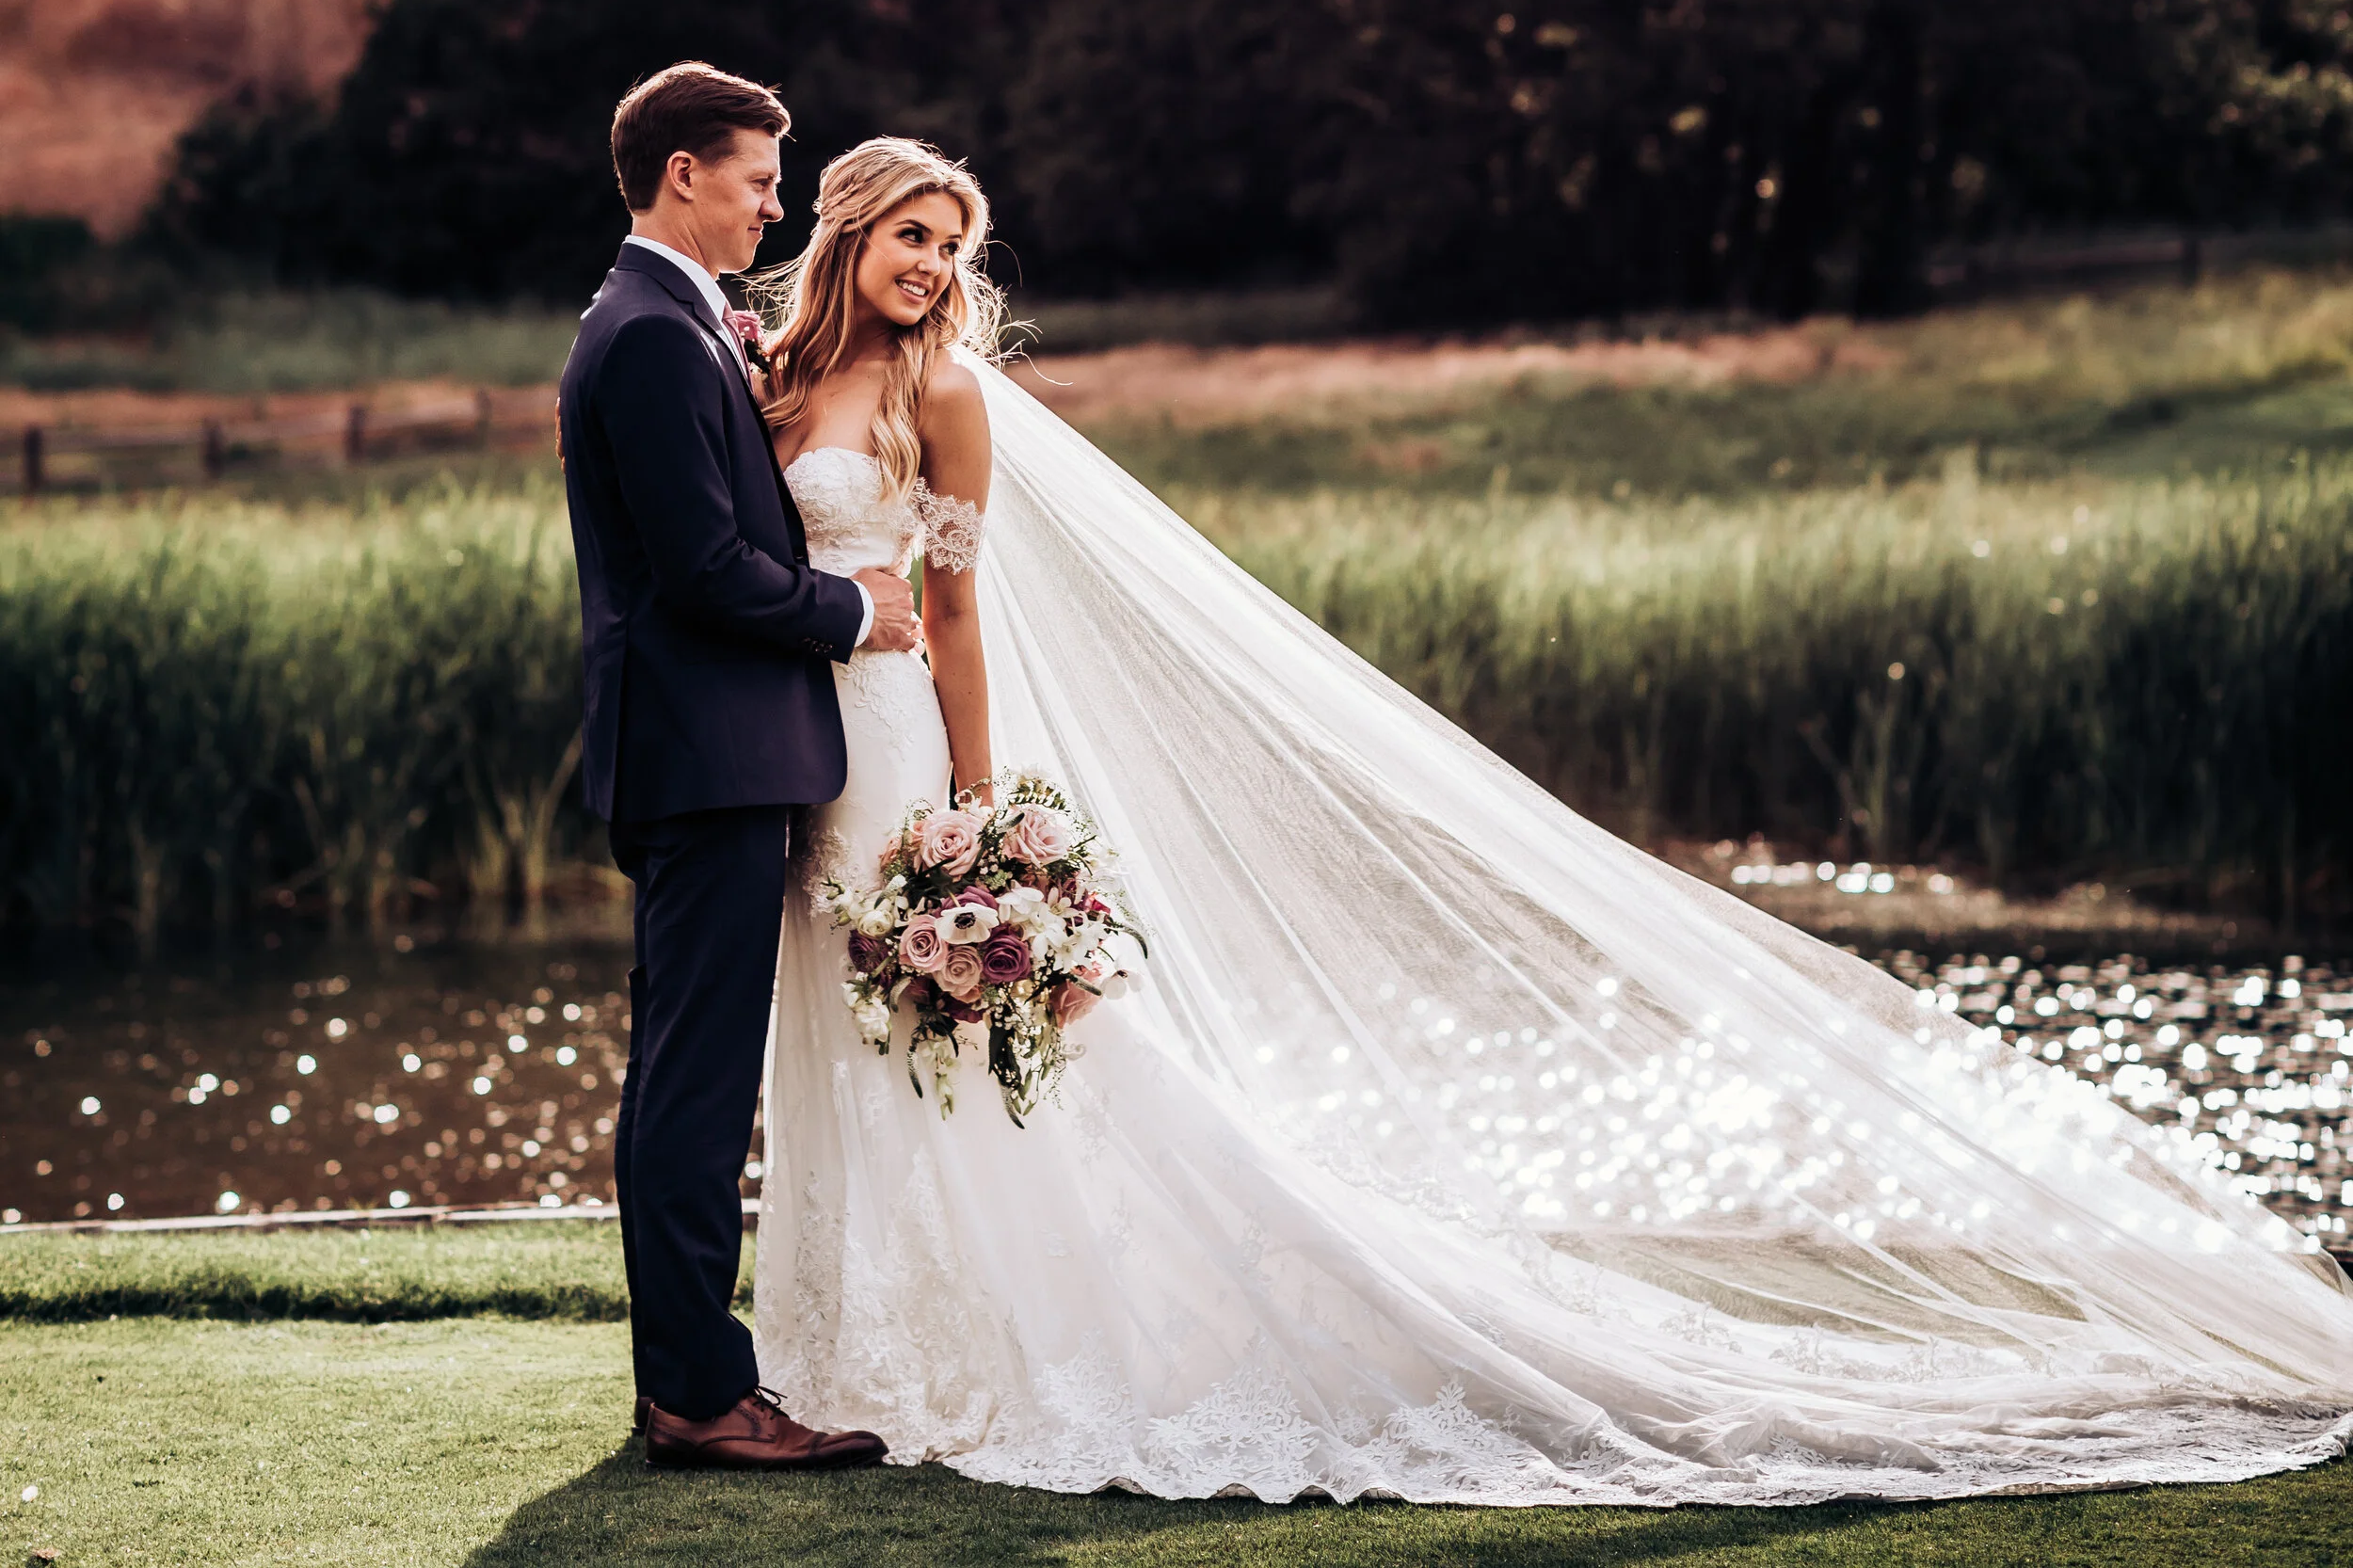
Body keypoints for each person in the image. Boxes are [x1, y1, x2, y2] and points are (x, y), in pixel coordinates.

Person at [748, 133, 2353, 1507]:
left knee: (982, 1047)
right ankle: (872, 1337)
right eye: (910, 235)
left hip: (907, 753)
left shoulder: (949, 393)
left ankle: (1043, 1324)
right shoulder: (783, 367)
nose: (931, 263)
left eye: (951, 245)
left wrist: (979, 809)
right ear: (852, 228)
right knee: (844, 1029)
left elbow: (957, 612)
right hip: (806, 753)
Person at [556, 60, 920, 1473]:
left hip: (715, 751)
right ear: (683, 173)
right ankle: (701, 1396)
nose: (780, 202)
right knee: (697, 1086)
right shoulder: (648, 333)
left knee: (685, 1077)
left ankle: (691, 1382)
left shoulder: (682, 323)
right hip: (703, 754)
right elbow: (702, 572)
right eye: (762, 178)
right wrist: (851, 608)